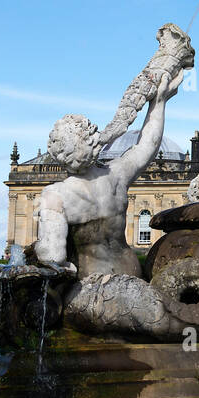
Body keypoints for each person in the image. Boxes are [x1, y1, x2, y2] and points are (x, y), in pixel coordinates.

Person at [34, 70, 184, 277]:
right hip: (131, 274)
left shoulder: (56, 195)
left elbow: (52, 256)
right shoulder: (116, 175)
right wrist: (159, 101)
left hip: (92, 284)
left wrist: (36, 249)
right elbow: (148, 145)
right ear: (93, 143)